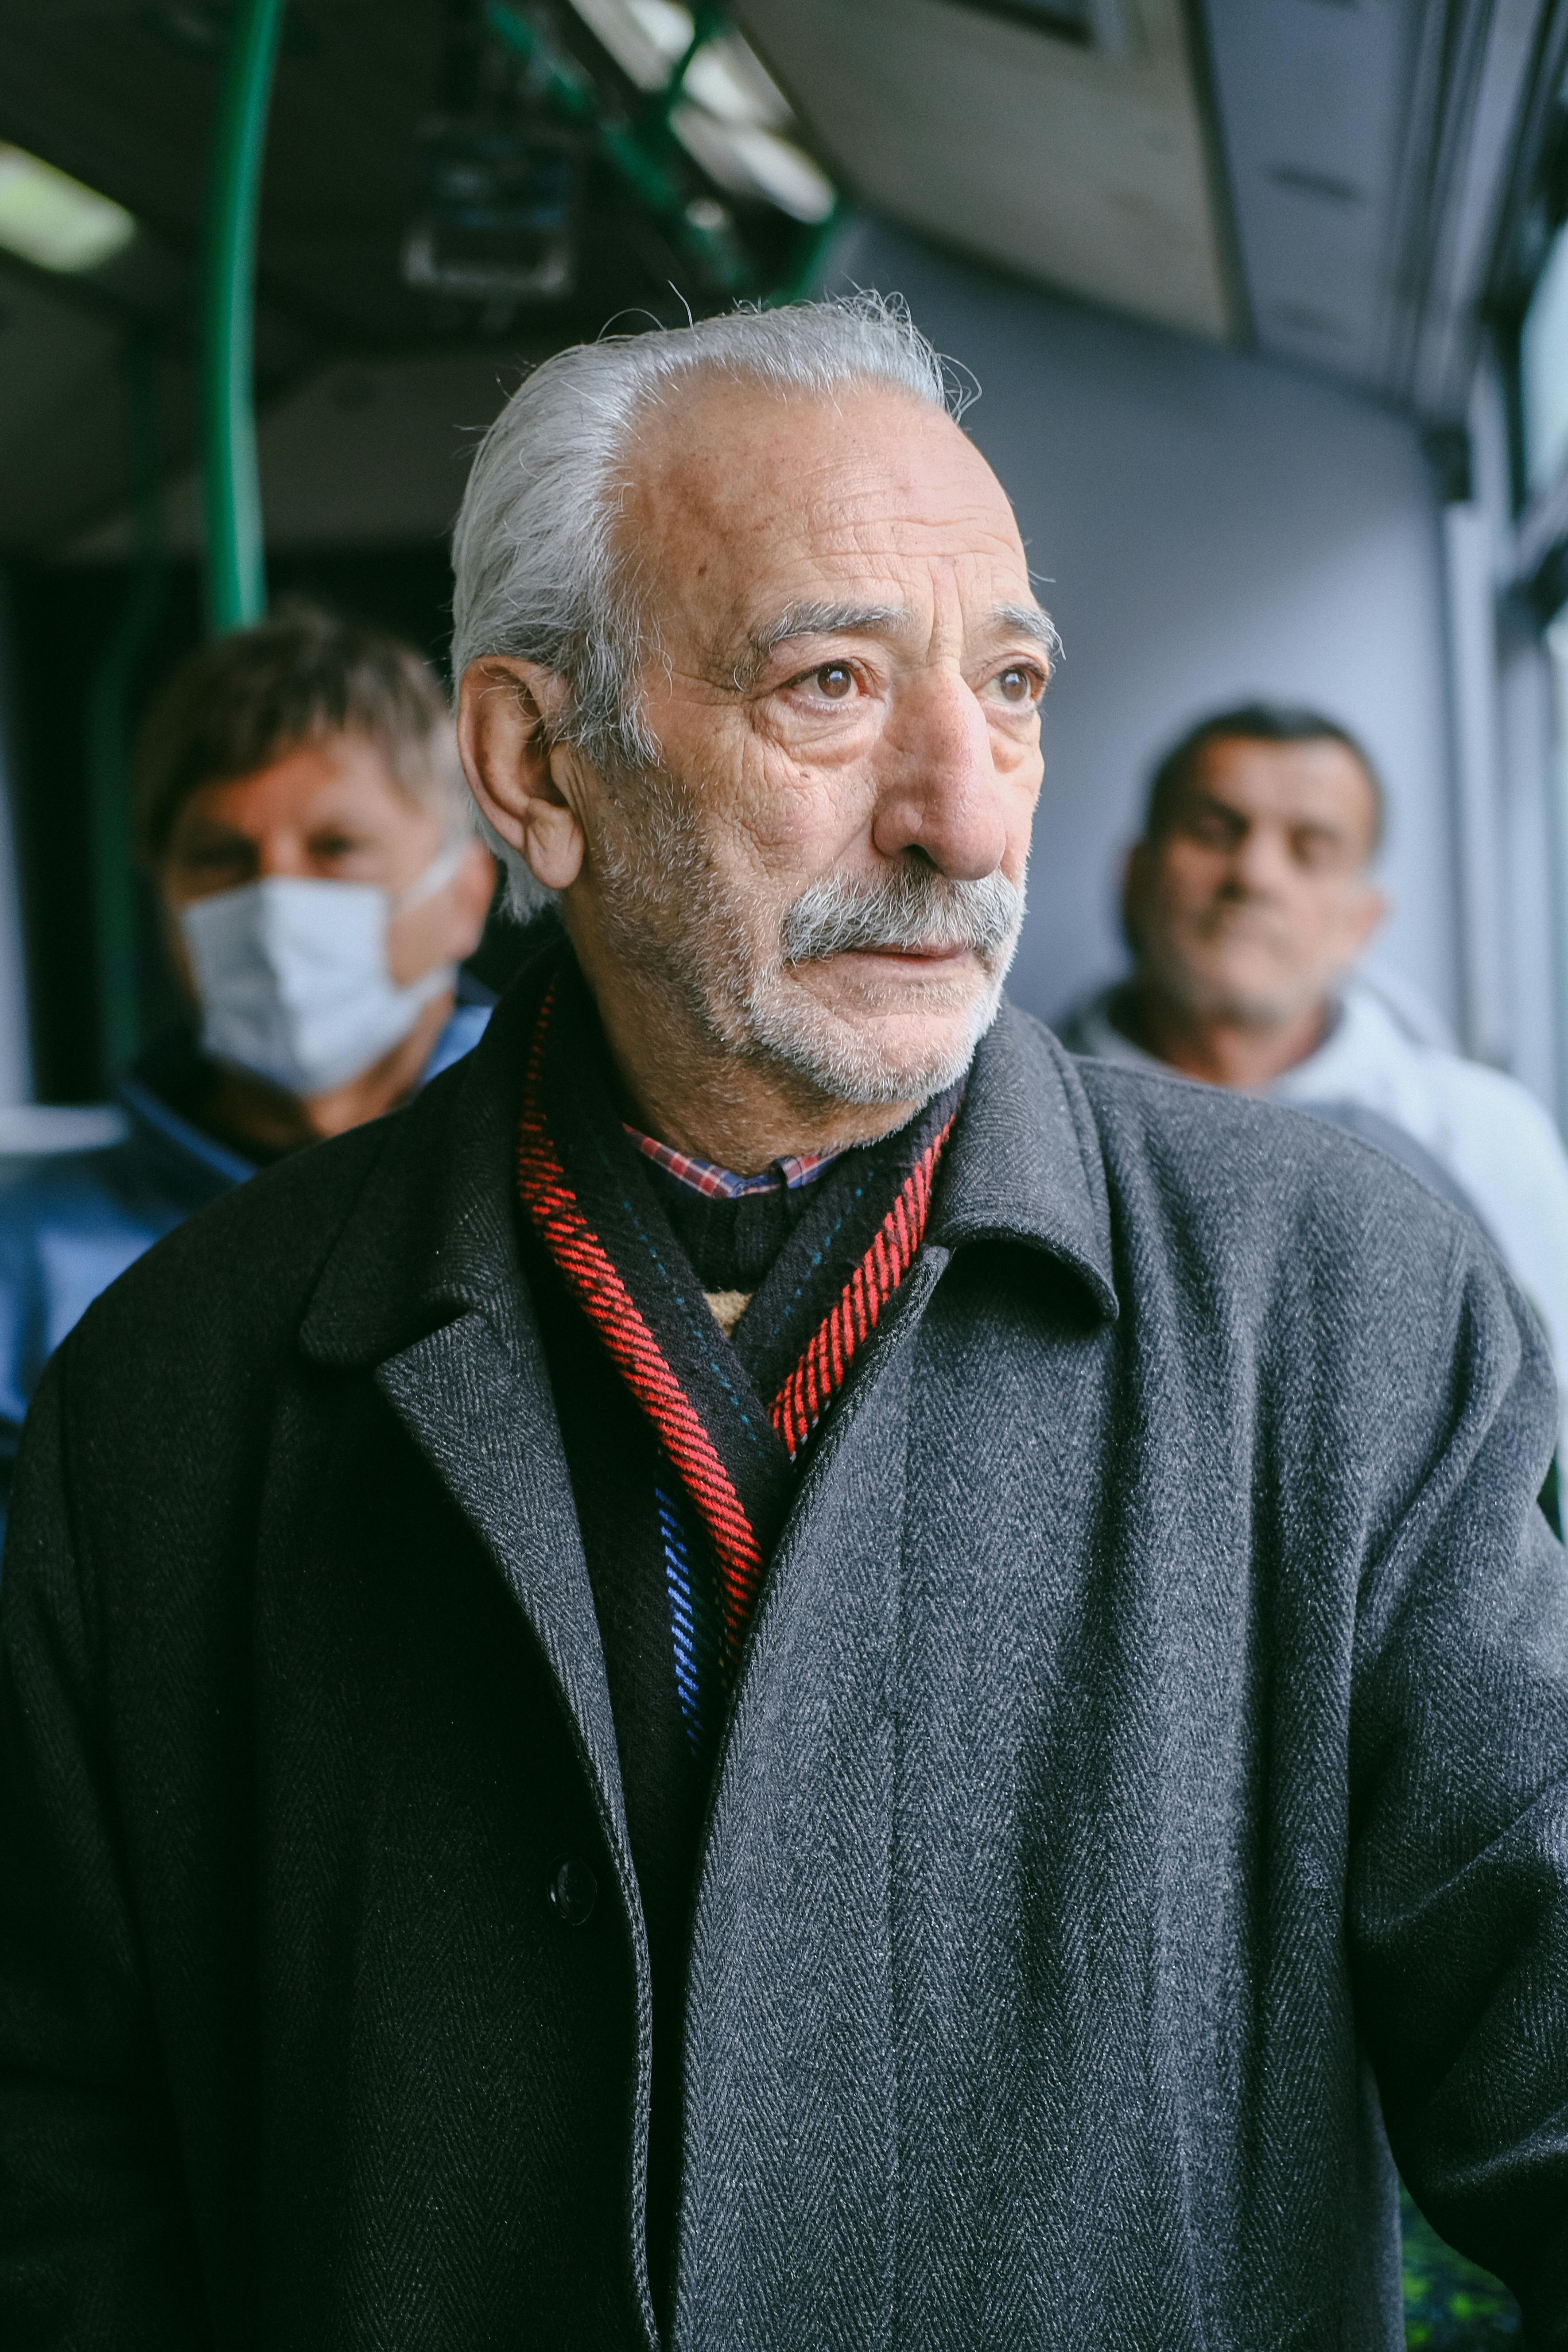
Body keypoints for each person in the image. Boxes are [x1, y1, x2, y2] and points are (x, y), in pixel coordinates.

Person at [0, 296, 1564, 2349]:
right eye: (829, 683)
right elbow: (59, 2161)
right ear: (535, 765)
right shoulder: (177, 1393)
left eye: (1008, 686)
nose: (965, 817)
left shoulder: (1341, 1309)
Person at [0, 606, 497, 1515]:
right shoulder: (31, 1262)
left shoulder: (566, 1185)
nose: (274, 909)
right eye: (221, 857)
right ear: (164, 900)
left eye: (337, 848)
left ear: (466, 894)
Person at [1057, 702, 1568, 1439]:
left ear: (1362, 921)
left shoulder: (1487, 1140)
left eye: (1311, 849)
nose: (1255, 874)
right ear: (1135, 877)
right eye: (1214, 831)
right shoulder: (1002, 1123)